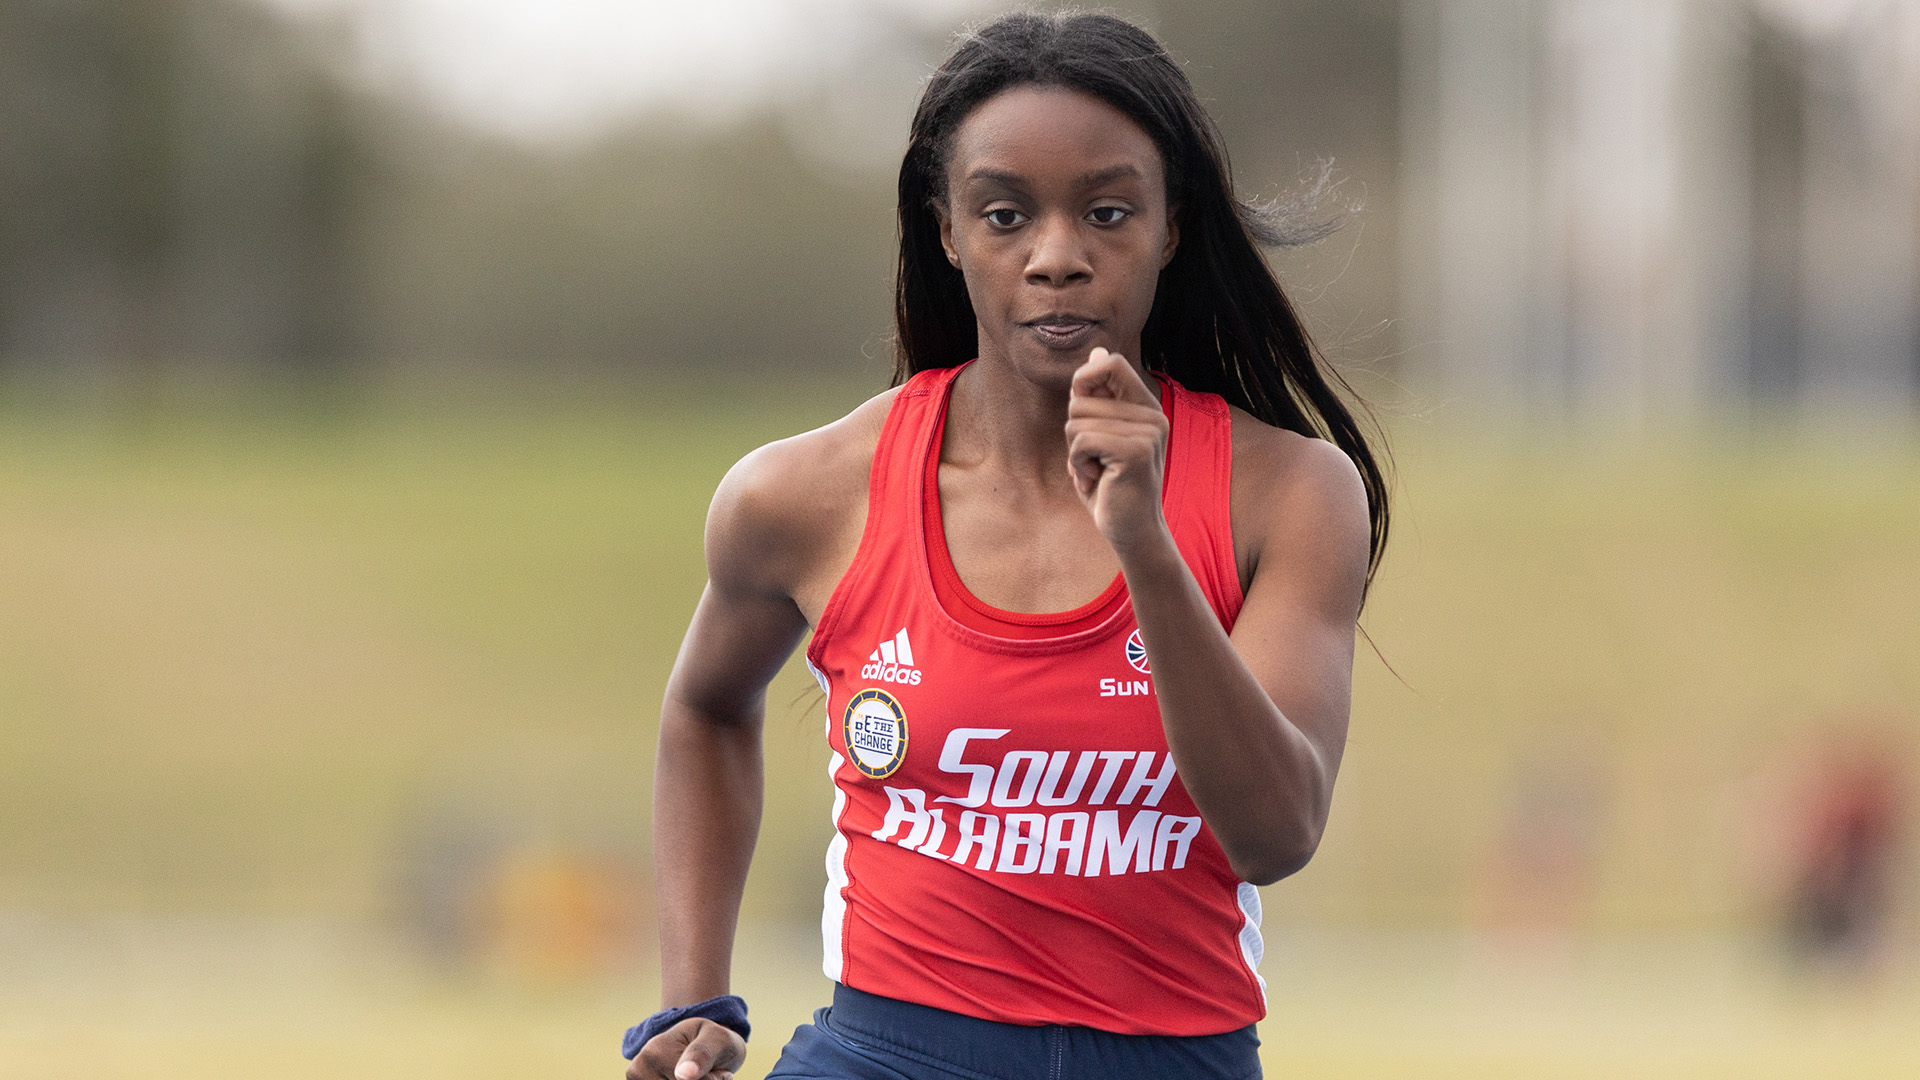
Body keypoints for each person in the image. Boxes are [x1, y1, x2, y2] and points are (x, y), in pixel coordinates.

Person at [625, 11, 1390, 1080]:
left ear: (1172, 228)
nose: (1058, 258)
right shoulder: (805, 494)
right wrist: (691, 998)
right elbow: (705, 709)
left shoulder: (1291, 494)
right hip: (885, 1053)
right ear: (948, 232)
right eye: (1004, 214)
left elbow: (1276, 831)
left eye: (1109, 212)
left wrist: (1145, 544)